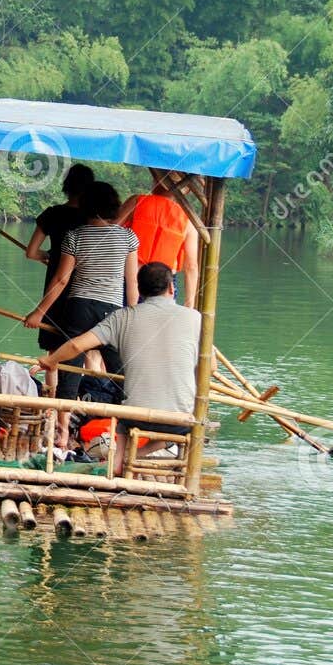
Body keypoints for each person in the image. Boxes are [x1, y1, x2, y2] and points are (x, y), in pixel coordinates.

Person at [30, 261, 200, 475]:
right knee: (188, 425)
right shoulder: (194, 318)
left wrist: (51, 360)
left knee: (123, 423)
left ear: (139, 290)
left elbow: (76, 345)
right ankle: (134, 458)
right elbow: (209, 367)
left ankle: (118, 461)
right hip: (180, 420)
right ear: (171, 288)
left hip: (136, 416)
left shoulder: (122, 316)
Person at [22, 180, 138, 401]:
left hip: (78, 308)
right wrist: (131, 316)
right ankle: (117, 424)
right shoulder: (128, 237)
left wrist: (39, 312)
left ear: (85, 206)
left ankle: (63, 431)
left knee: (70, 374)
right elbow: (131, 282)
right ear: (114, 206)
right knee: (122, 375)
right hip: (112, 311)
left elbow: (61, 280)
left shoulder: (75, 236)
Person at [25, 163, 94, 354]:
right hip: (85, 289)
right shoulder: (93, 219)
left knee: (53, 349)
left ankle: (52, 386)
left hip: (55, 286)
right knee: (87, 347)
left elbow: (31, 252)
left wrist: (49, 255)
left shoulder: (52, 214)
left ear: (67, 186)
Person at [118, 172, 199, 306]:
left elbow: (111, 229)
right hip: (165, 285)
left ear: (155, 183)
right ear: (186, 192)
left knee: (127, 323)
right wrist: (189, 303)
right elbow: (191, 266)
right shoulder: (188, 220)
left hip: (131, 277)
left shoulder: (137, 201)